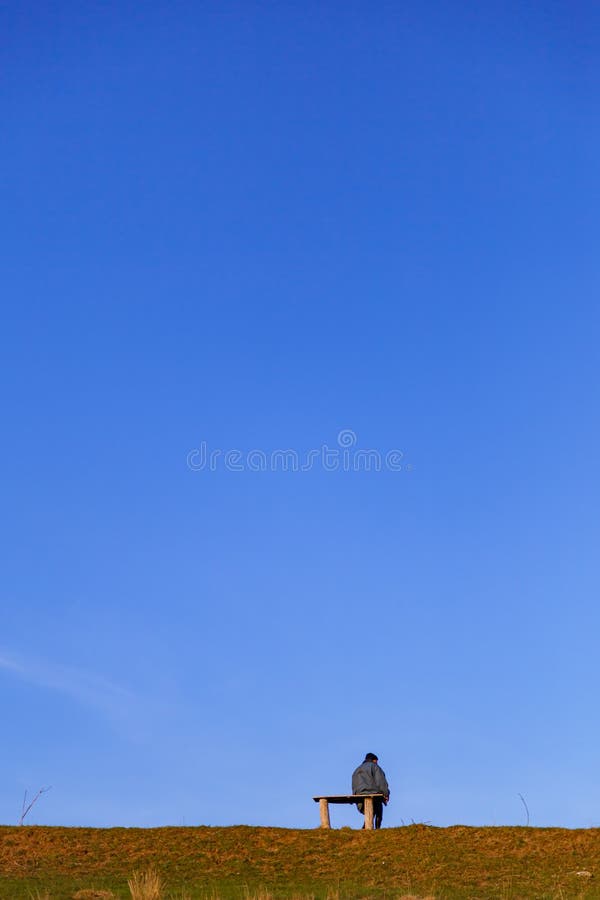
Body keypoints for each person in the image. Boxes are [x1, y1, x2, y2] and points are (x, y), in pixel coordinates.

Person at [352, 752, 390, 829]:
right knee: (378, 808)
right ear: (374, 760)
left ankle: (365, 827)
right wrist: (386, 794)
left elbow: (354, 785)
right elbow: (381, 782)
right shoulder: (374, 767)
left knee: (372, 811)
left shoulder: (356, 770)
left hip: (358, 797)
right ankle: (377, 829)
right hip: (372, 794)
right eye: (376, 761)